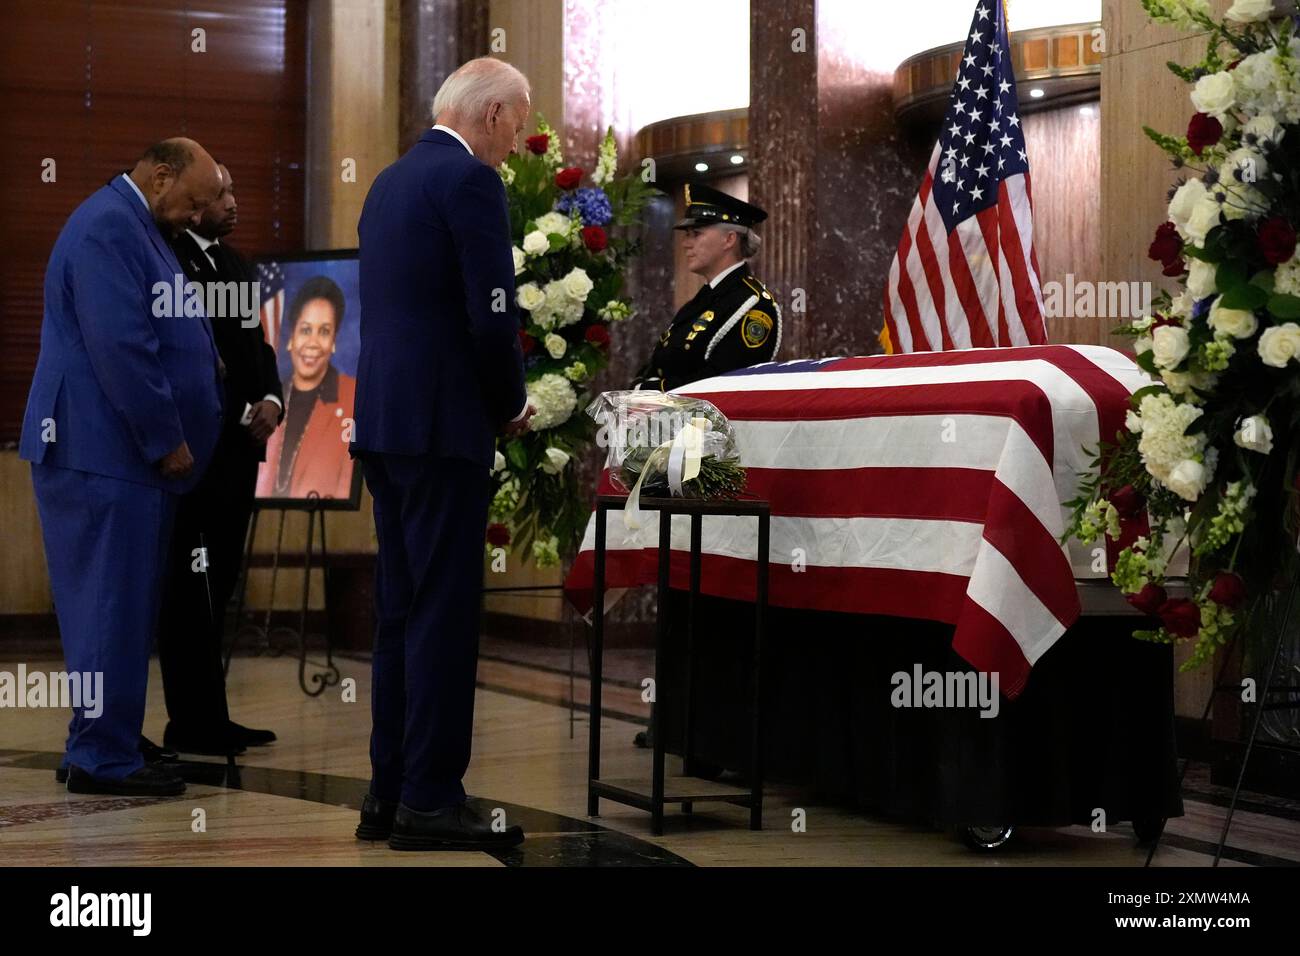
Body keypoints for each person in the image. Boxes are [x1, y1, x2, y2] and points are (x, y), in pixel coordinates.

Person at [351, 56, 533, 850]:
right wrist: (511, 404)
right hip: (443, 428)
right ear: (491, 115)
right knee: (443, 613)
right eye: (518, 124)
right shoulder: (470, 184)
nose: (516, 143)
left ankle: (388, 792)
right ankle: (430, 797)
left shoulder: (389, 182)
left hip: (386, 426)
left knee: (400, 609)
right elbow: (491, 315)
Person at [19, 139, 224, 796]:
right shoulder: (109, 224)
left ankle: (104, 736)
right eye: (192, 203)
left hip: (116, 456)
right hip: (103, 450)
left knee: (125, 605)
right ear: (159, 176)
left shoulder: (139, 221)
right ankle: (101, 758)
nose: (198, 217)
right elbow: (121, 345)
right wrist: (166, 435)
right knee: (109, 604)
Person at [158, 161, 282, 757]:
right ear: (196, 201)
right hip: (197, 453)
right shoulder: (170, 258)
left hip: (240, 454)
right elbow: (184, 358)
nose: (234, 202)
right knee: (189, 589)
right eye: (223, 192)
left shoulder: (233, 265)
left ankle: (213, 717)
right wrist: (236, 402)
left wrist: (274, 400)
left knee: (221, 583)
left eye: (235, 189)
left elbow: (257, 347)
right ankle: (190, 722)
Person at [633, 183, 781, 391]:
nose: (686, 243)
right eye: (687, 234)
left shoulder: (753, 305)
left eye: (696, 234)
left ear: (729, 239)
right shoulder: (698, 303)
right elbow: (659, 364)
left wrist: (651, 390)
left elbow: (724, 384)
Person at [256, 276, 358, 501]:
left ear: (333, 341)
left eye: (324, 331)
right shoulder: (269, 399)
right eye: (305, 330)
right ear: (291, 336)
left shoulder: (354, 397)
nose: (312, 342)